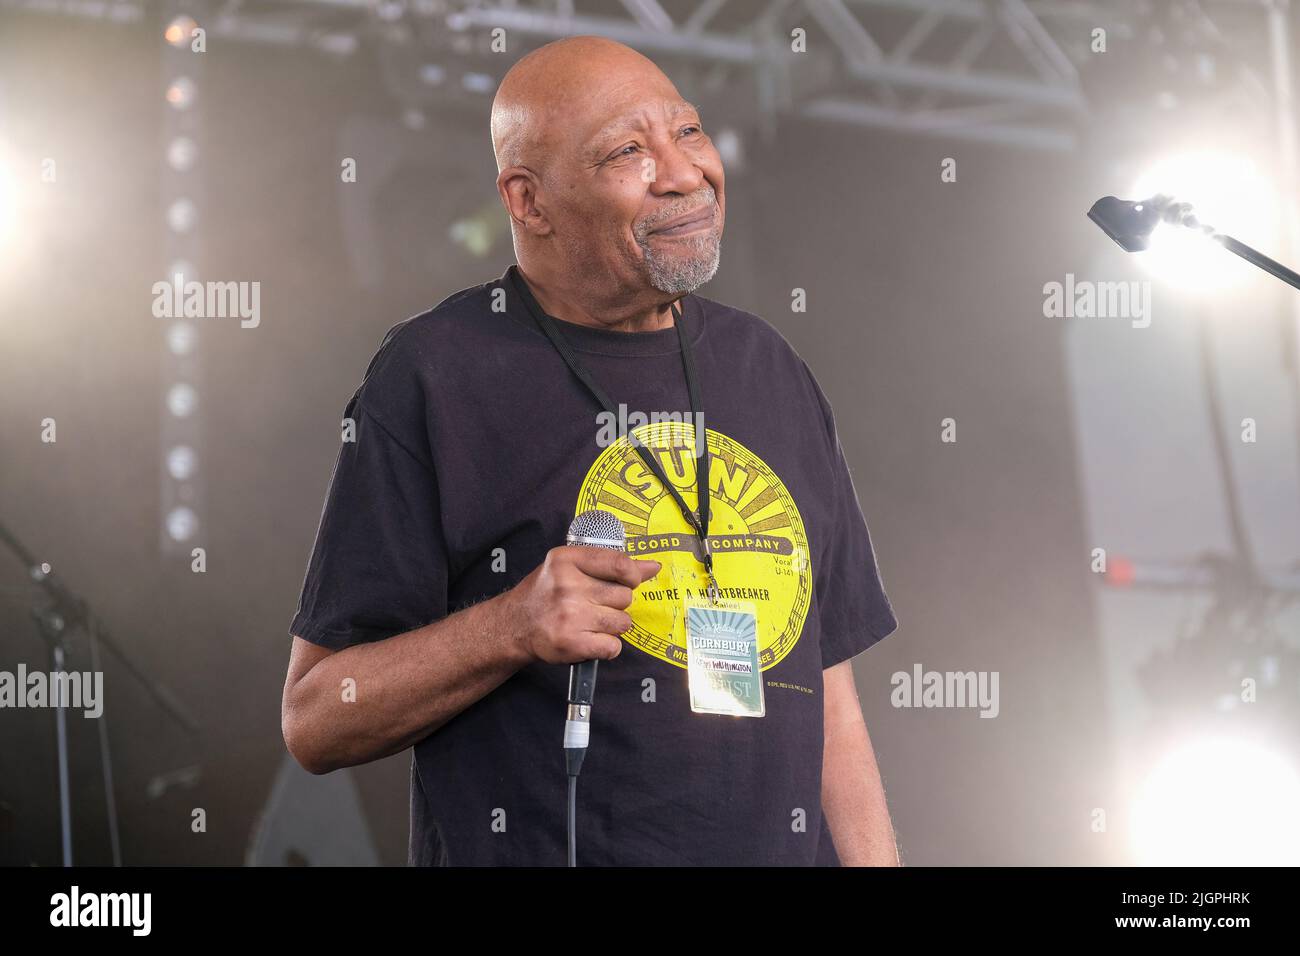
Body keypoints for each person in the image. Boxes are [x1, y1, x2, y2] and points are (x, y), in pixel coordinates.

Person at [281, 35, 900, 866]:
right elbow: (317, 717)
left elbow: (830, 700)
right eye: (628, 152)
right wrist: (513, 625)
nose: (684, 174)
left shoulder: (770, 369)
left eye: (687, 133)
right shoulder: (437, 373)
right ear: (528, 201)